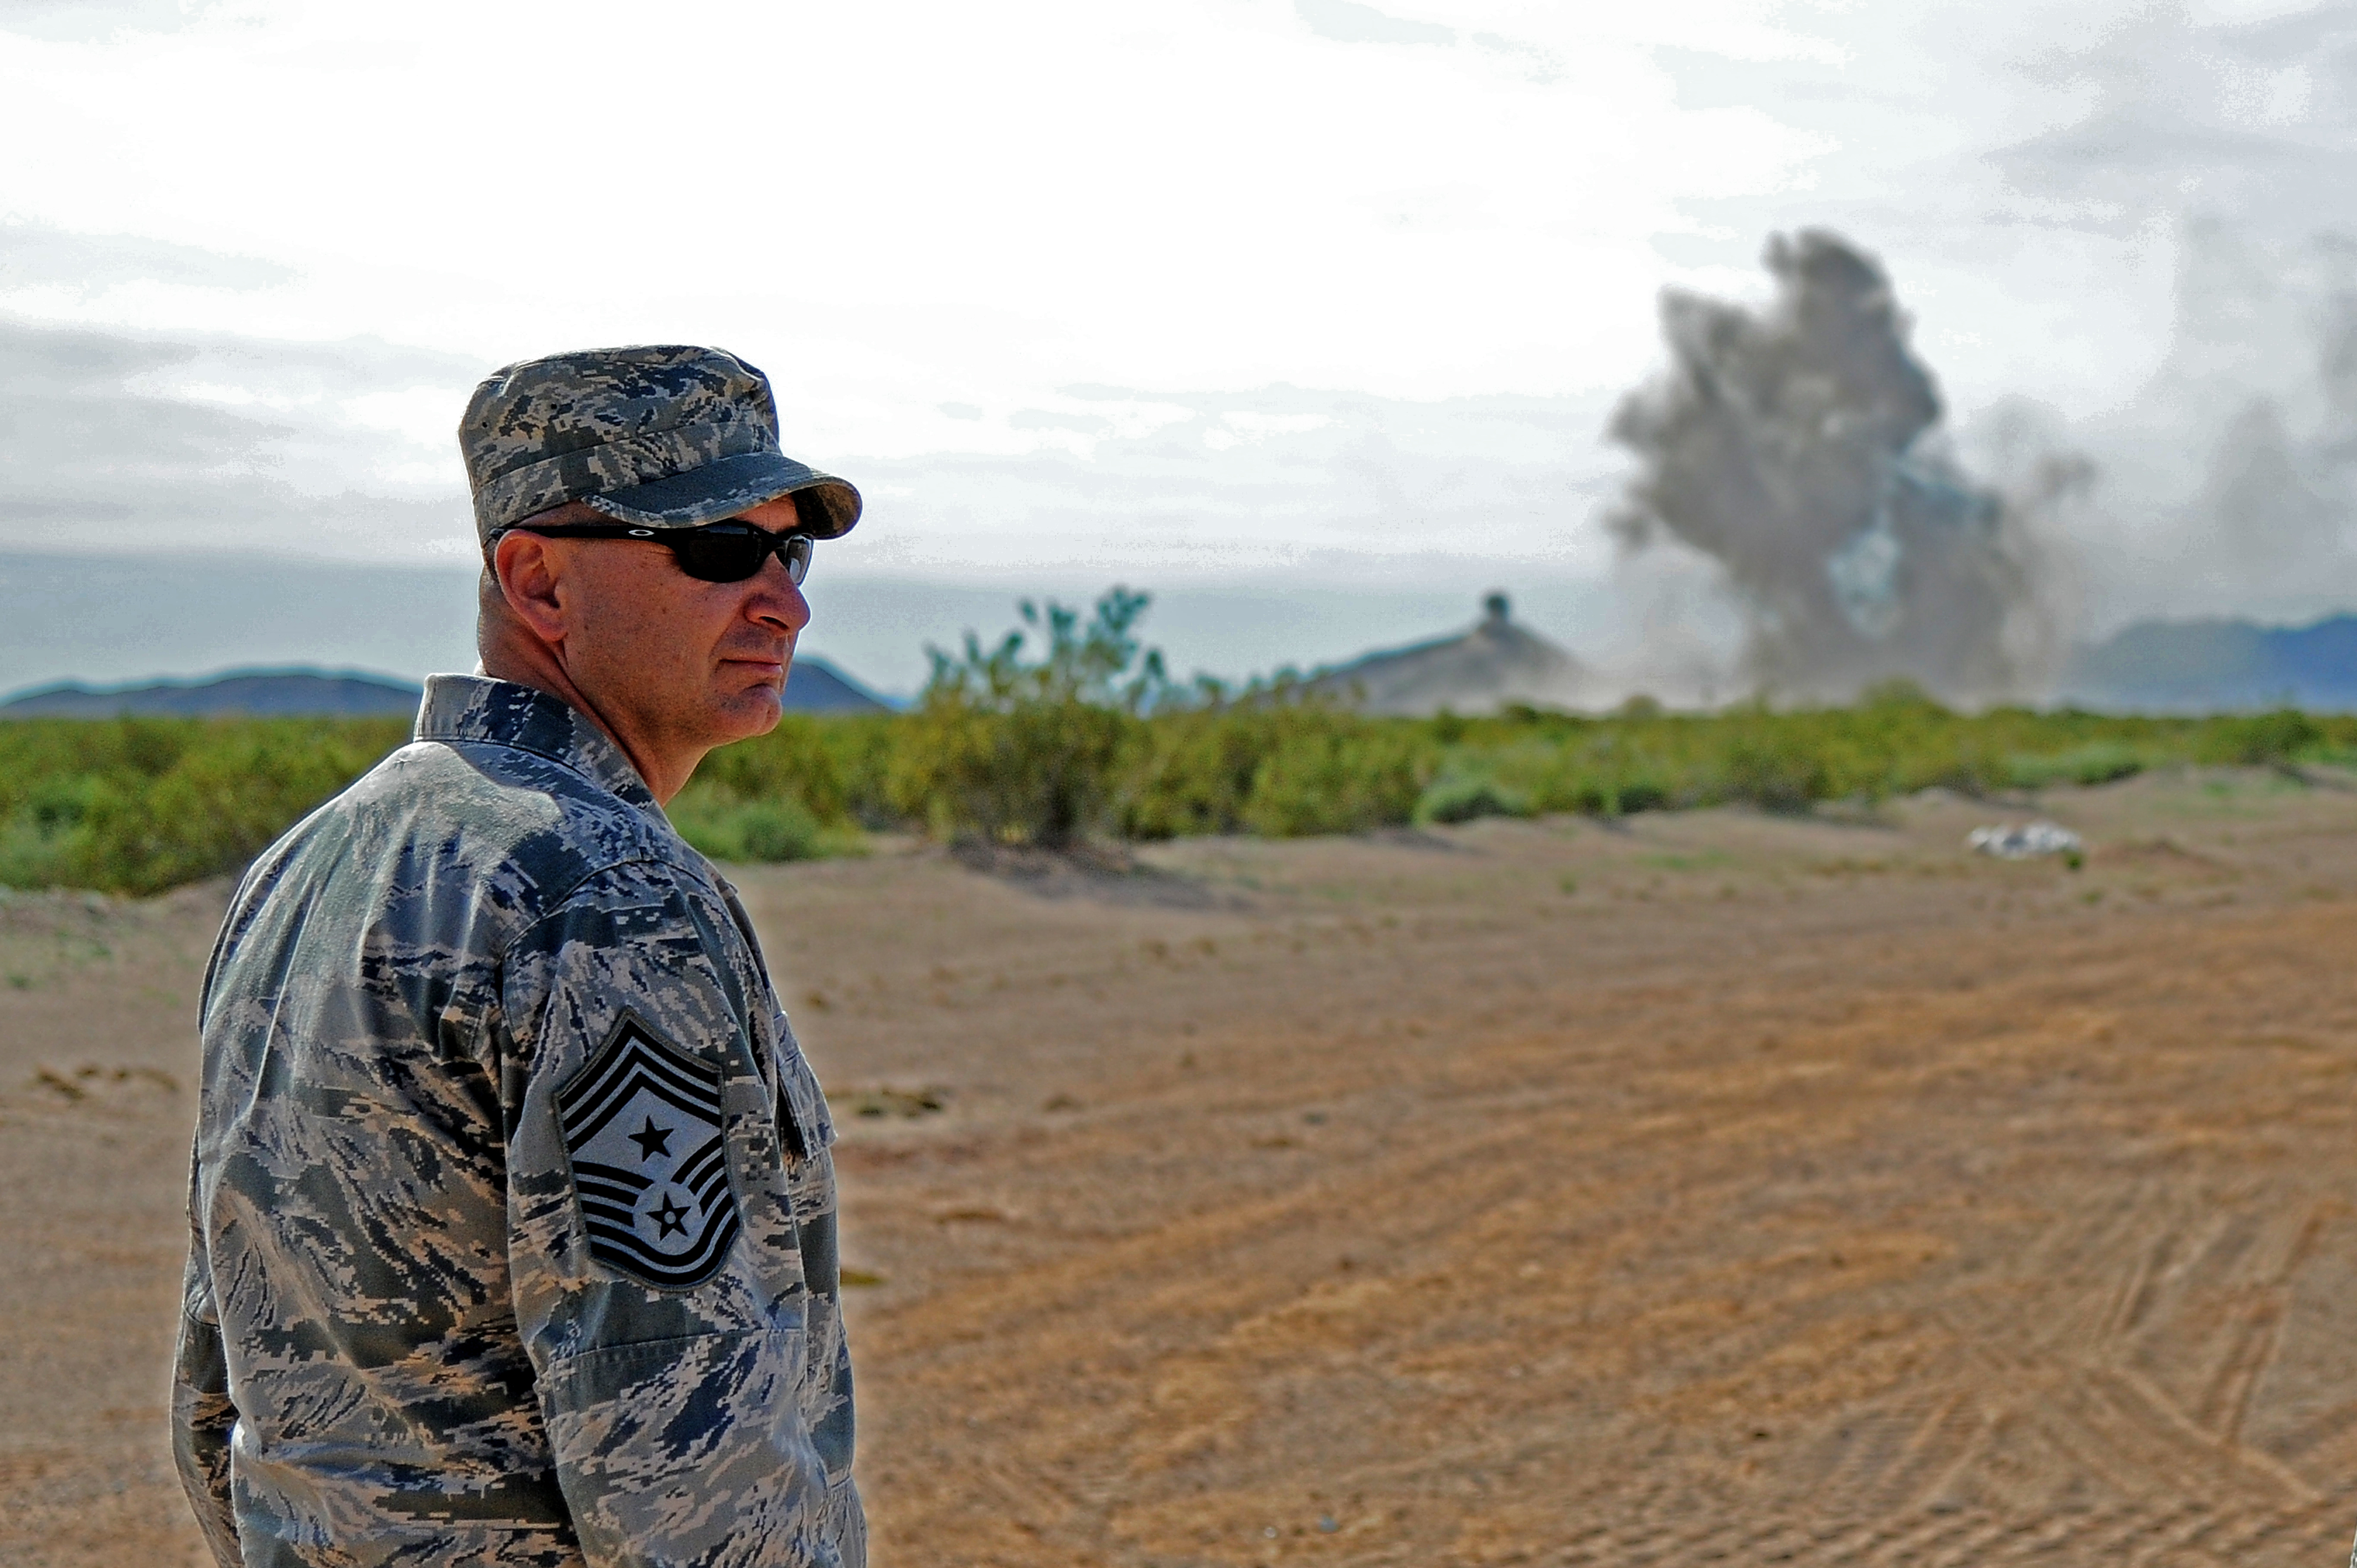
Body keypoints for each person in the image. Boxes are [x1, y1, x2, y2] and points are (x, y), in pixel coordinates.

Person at [170, 345, 867, 1567]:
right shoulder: (603, 892)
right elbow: (679, 1440)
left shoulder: (311, 865)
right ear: (538, 582)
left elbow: (218, 1374)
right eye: (715, 550)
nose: (783, 603)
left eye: (788, 551)